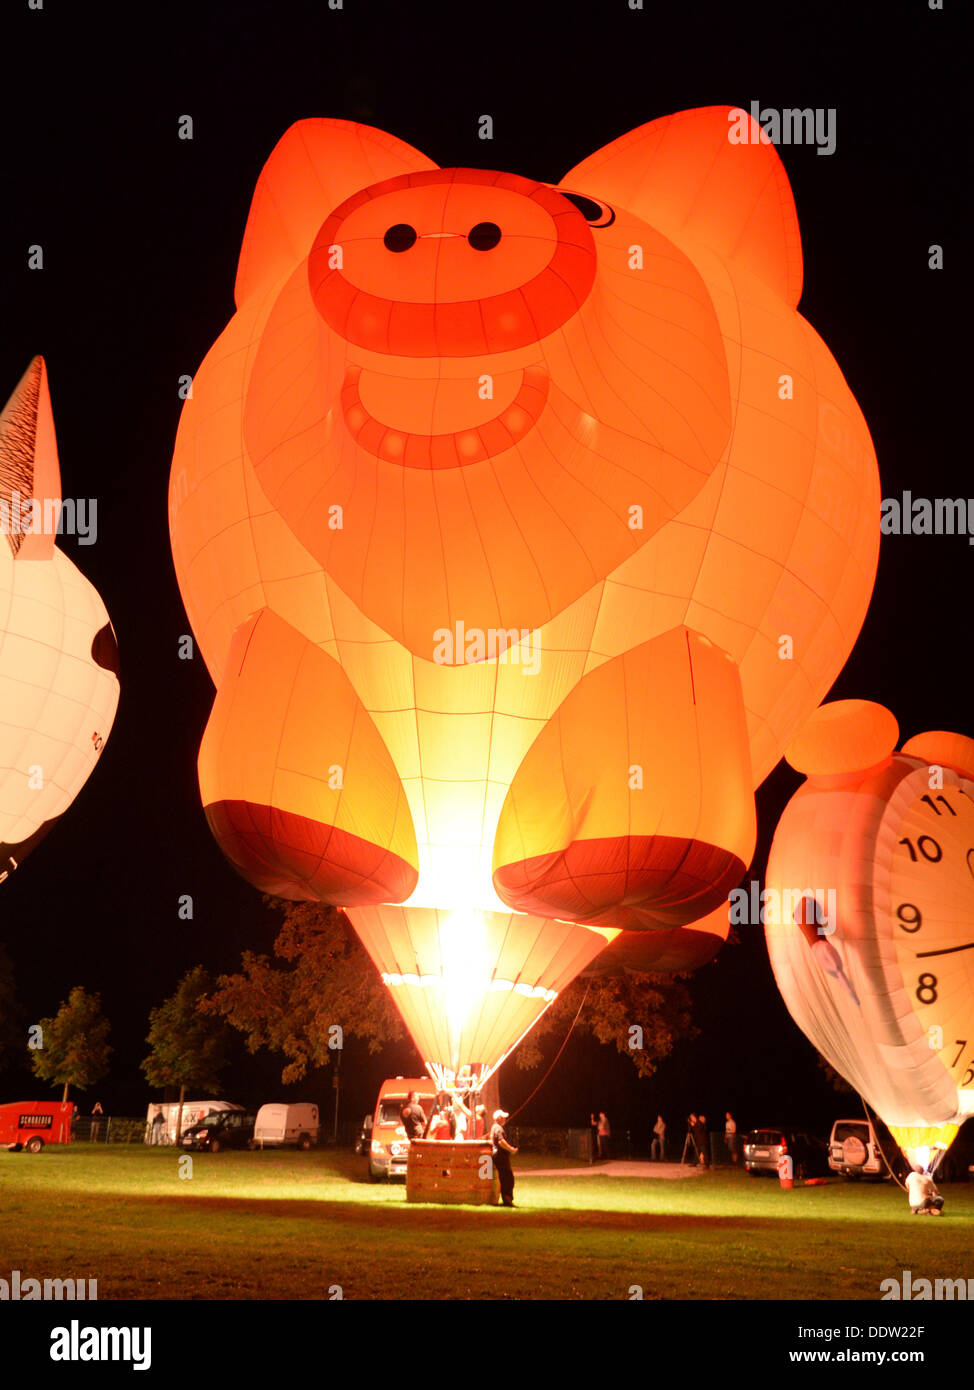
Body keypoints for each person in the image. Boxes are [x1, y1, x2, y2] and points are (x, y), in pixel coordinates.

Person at [490, 1108, 518, 1206]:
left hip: (497, 1155)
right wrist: (511, 1149)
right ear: (498, 1118)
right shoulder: (498, 1128)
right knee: (508, 1178)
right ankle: (507, 1199)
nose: (505, 1119)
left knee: (505, 1177)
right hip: (500, 1155)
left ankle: (507, 1198)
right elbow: (501, 1141)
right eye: (503, 1117)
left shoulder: (494, 1127)